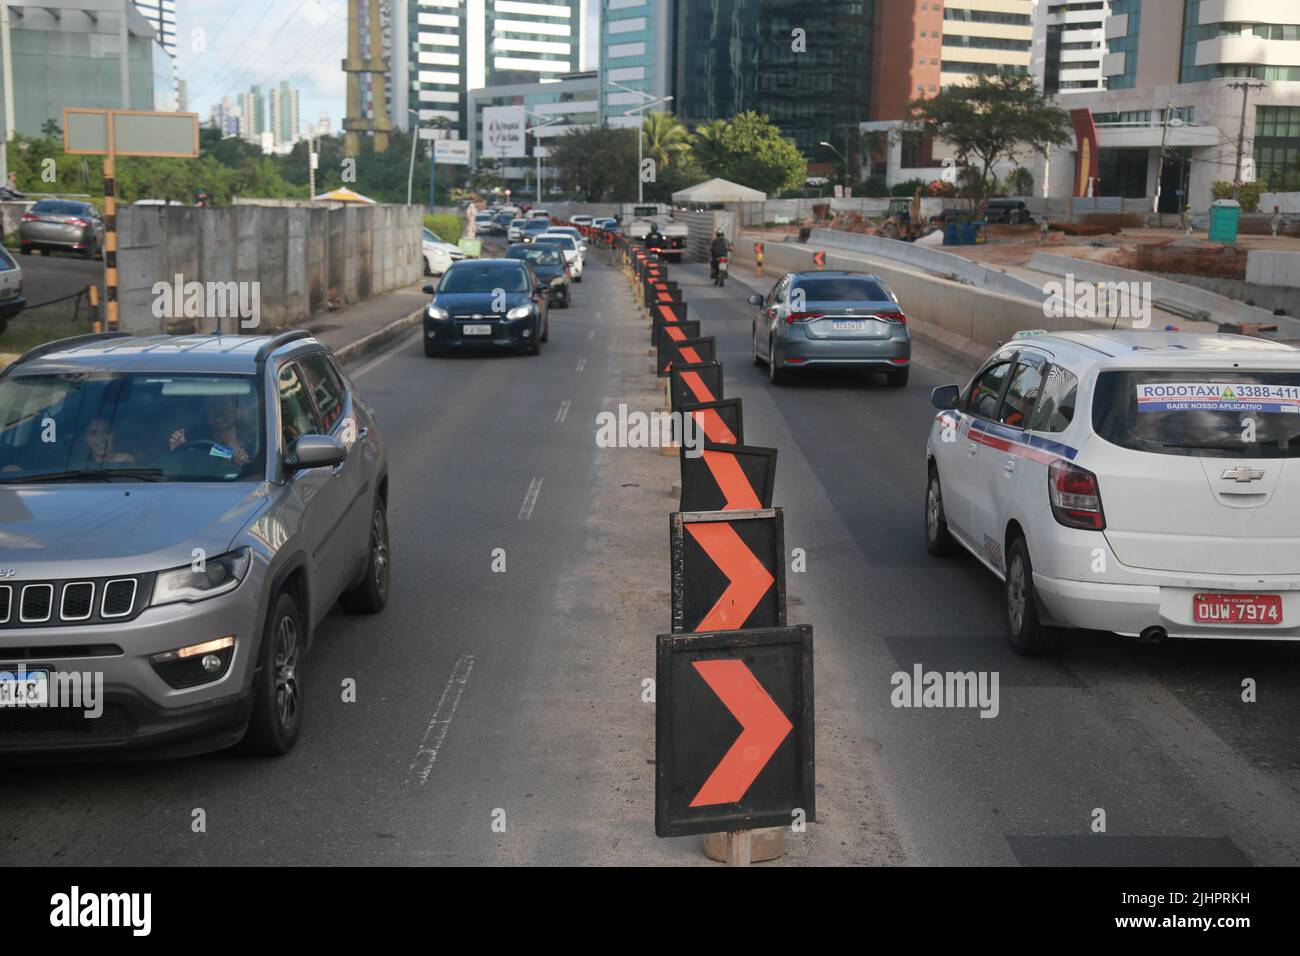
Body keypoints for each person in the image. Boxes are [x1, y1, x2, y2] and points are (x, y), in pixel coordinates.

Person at [169, 394, 251, 466]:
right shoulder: (198, 445)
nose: (217, 411)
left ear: (237, 411)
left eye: (224, 406)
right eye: (211, 406)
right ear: (206, 413)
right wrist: (179, 451)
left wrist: (242, 461)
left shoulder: (253, 445)